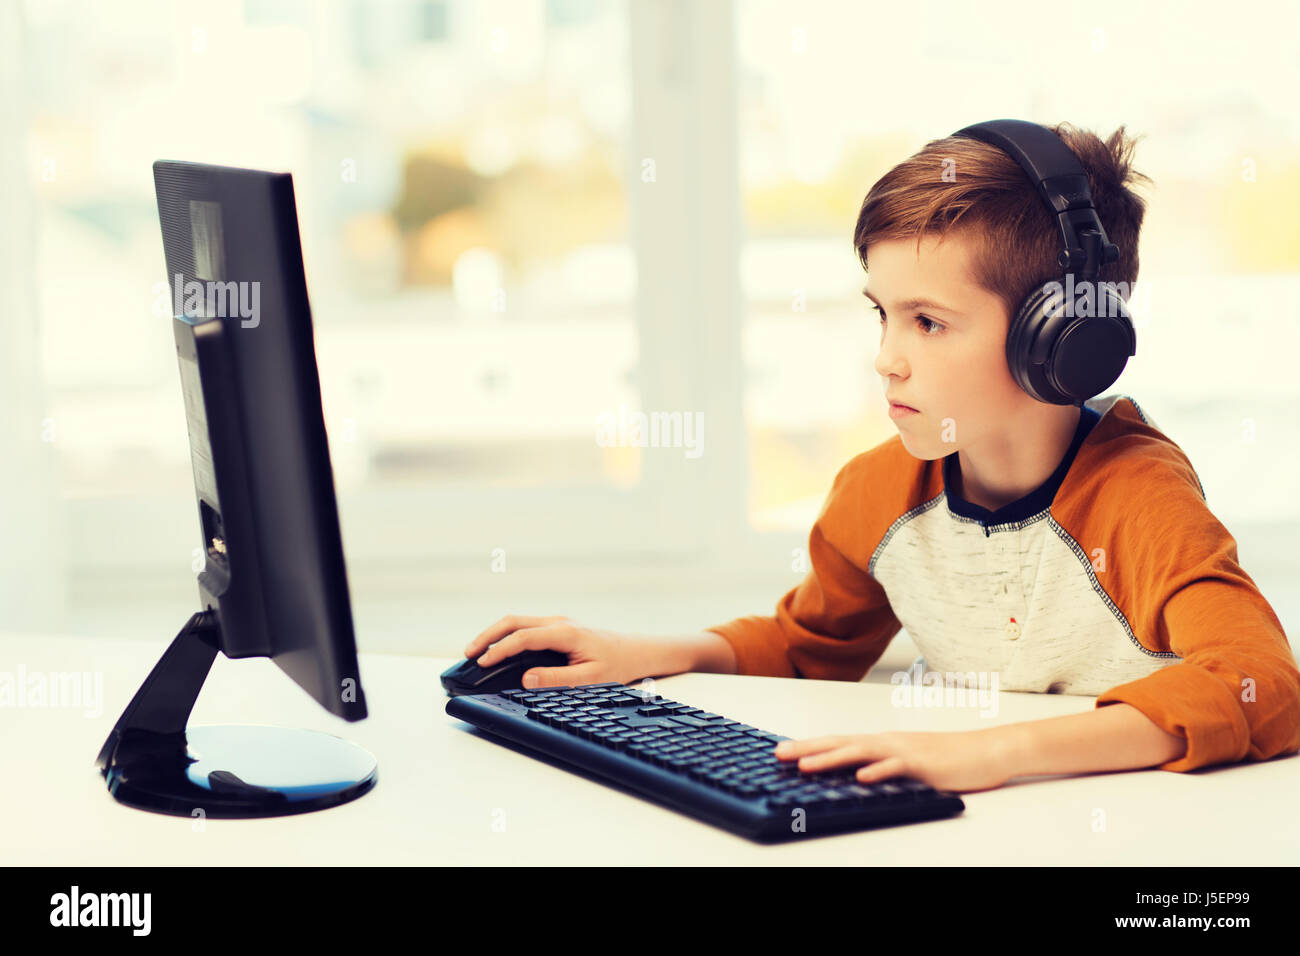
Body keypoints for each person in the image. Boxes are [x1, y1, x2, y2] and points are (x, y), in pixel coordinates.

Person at [460, 121, 1300, 794]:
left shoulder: (1136, 498)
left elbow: (1263, 684)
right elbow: (806, 647)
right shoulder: (879, 490)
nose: (887, 358)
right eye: (882, 316)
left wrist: (993, 755)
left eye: (928, 322)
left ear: (1066, 343)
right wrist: (650, 651)